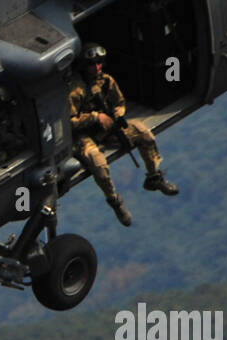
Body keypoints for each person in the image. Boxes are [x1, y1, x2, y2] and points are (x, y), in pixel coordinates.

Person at [68, 44, 178, 227]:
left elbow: (119, 102)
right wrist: (95, 117)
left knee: (144, 134)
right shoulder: (76, 90)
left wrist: (117, 115)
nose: (97, 68)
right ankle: (114, 201)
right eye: (92, 64)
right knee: (99, 164)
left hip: (107, 129)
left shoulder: (106, 81)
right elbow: (71, 121)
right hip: (83, 134)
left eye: (99, 63)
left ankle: (154, 177)